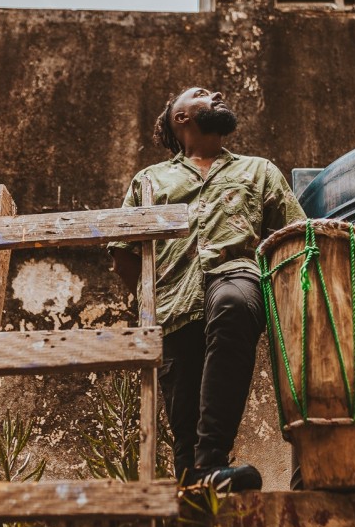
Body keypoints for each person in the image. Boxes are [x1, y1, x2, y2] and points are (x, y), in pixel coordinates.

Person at [108, 86, 306, 491]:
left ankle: (212, 458)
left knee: (232, 304)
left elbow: (295, 237)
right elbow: (123, 253)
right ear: (181, 117)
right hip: (174, 300)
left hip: (237, 275)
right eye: (201, 93)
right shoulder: (150, 180)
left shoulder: (258, 170)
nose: (216, 93)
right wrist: (156, 301)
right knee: (184, 416)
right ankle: (199, 482)